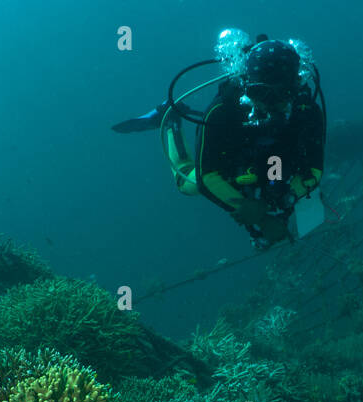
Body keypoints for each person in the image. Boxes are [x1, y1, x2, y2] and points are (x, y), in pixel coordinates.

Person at [113, 32, 326, 248]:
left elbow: (314, 169)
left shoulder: (306, 111)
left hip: (276, 162)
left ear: (296, 86)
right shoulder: (223, 110)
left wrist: (282, 201)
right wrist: (261, 218)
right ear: (247, 85)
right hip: (232, 160)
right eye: (262, 93)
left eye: (283, 93)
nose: (272, 104)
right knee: (187, 184)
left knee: (276, 179)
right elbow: (208, 176)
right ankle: (170, 120)